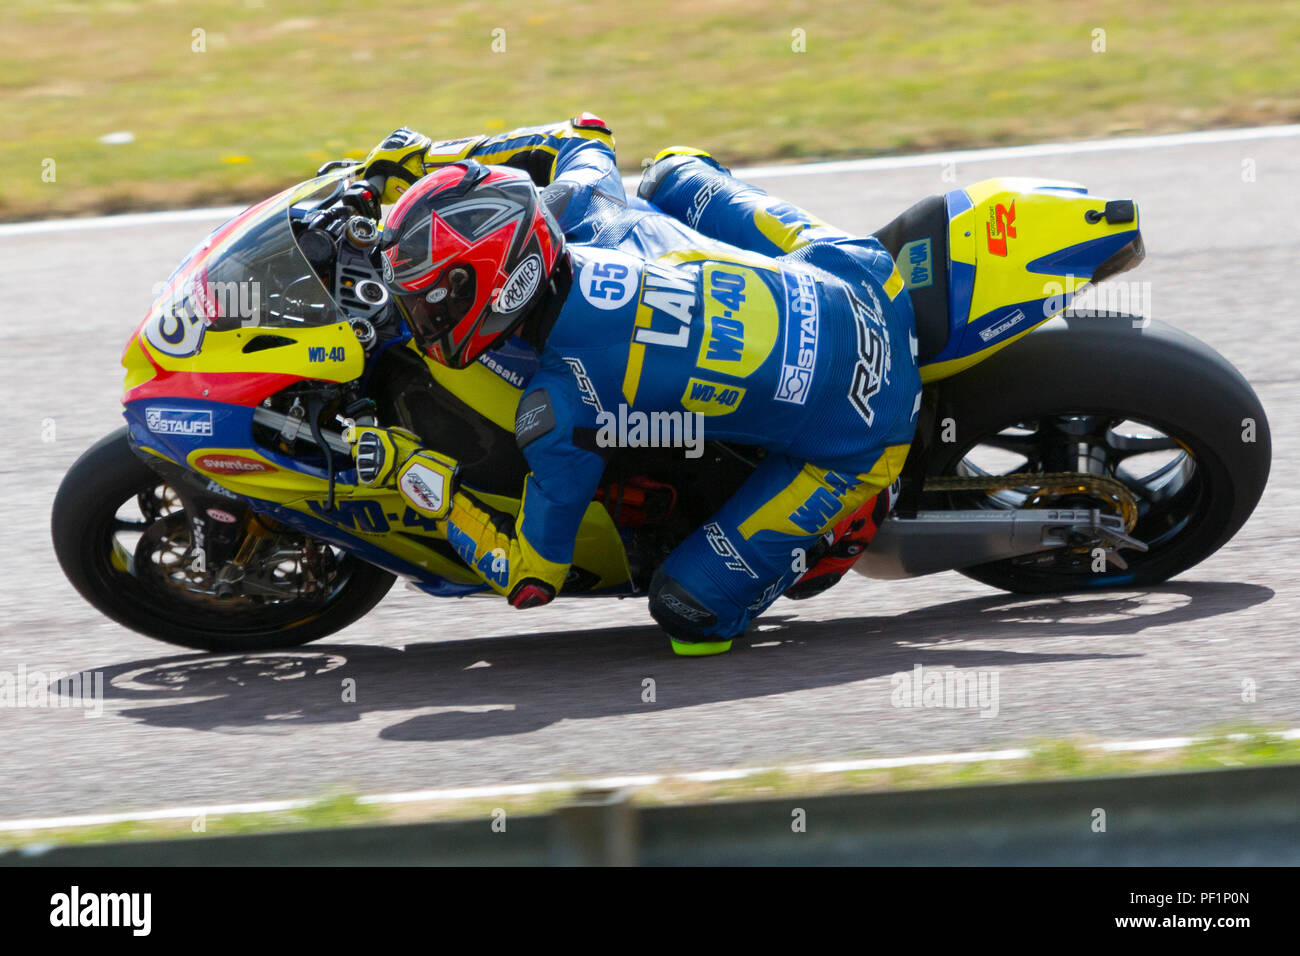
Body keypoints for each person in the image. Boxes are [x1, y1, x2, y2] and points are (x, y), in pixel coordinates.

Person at [347, 115, 921, 655]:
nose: (417, 317)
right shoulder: (591, 207)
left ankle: (844, 524)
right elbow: (584, 134)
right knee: (673, 170)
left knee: (687, 614)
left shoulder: (561, 407)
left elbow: (529, 578)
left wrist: (417, 478)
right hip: (860, 273)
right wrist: (429, 157)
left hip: (863, 429)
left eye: (430, 304)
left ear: (500, 291)